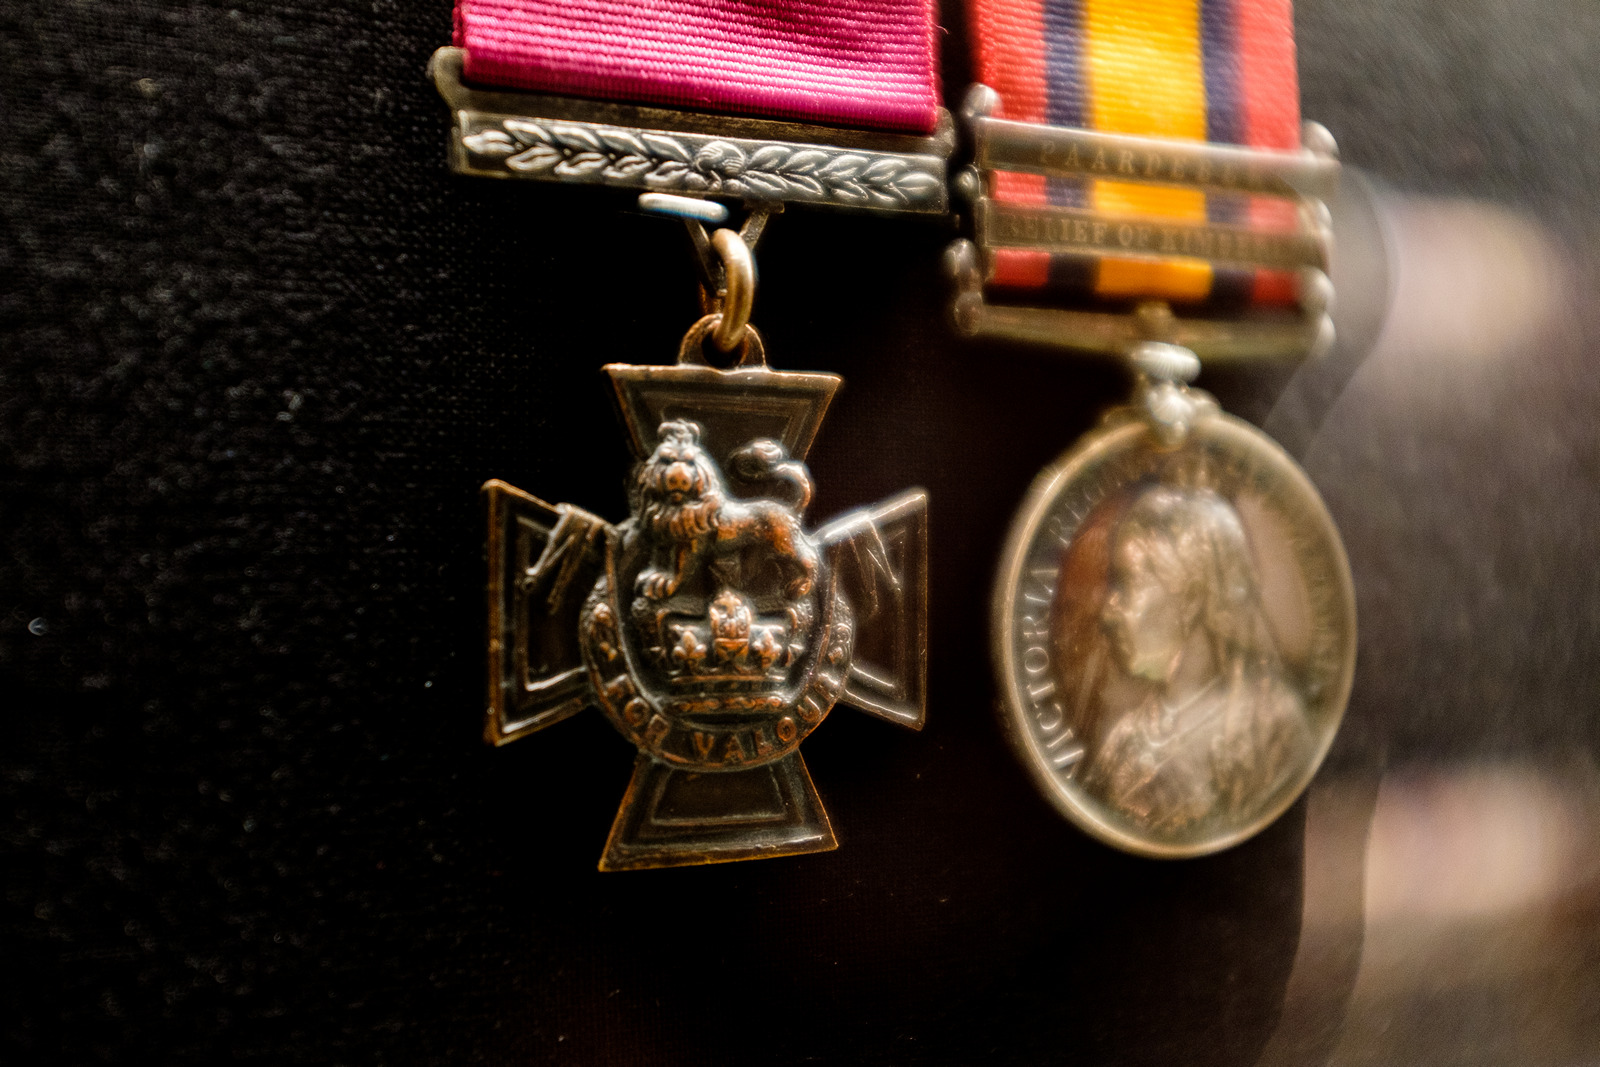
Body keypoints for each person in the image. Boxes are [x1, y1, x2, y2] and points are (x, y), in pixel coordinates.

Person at [1073, 484, 1311, 835]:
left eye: (1127, 584)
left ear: (1191, 600)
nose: (1109, 610)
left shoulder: (1272, 729)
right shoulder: (1124, 740)